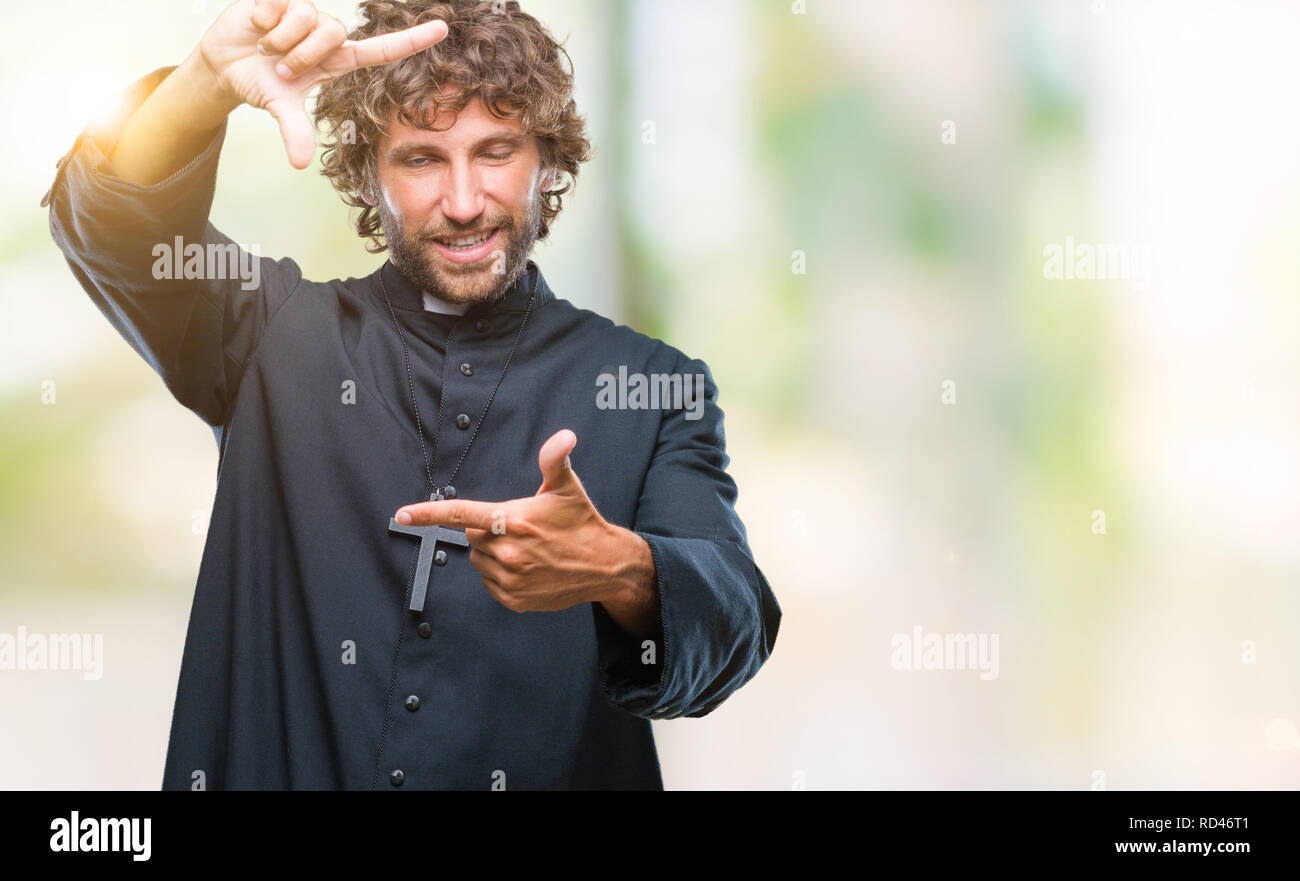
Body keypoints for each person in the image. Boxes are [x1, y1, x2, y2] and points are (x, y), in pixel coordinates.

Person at [43, 0, 780, 790]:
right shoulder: (265, 336)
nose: (463, 202)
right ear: (367, 171)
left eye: (496, 151)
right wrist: (202, 85)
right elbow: (107, 228)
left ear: (549, 160)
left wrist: (623, 570)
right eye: (422, 159)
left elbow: (735, 620)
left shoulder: (653, 390)